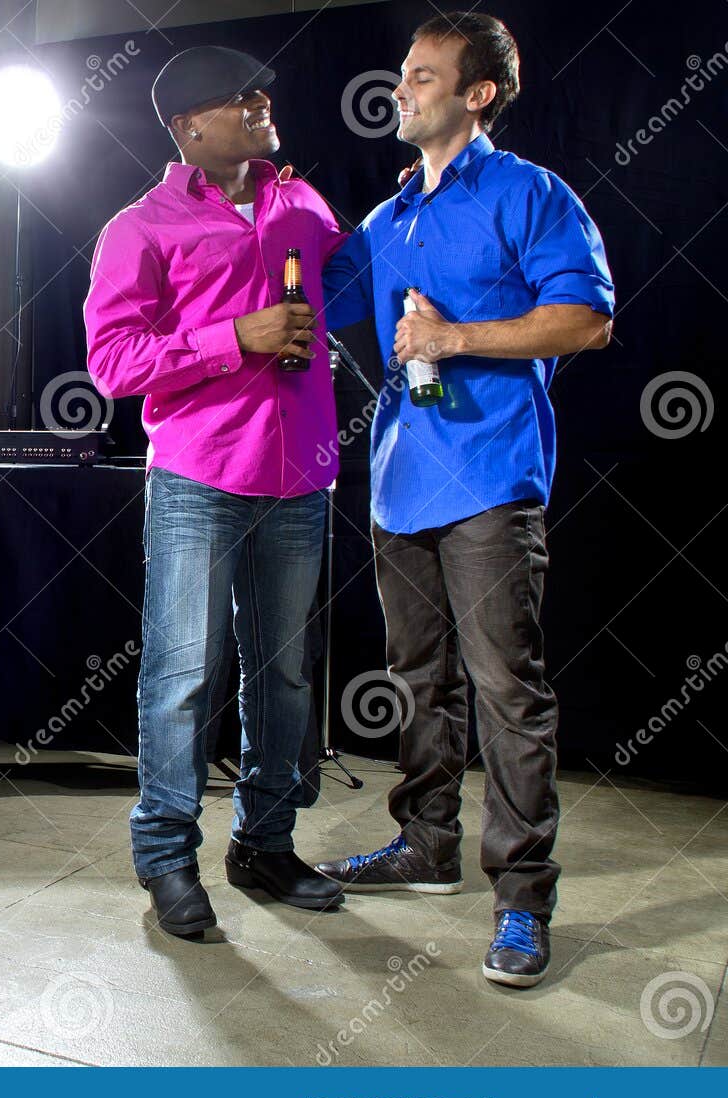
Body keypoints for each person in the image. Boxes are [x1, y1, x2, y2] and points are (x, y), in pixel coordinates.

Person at [319, 11, 614, 988]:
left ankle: (522, 900)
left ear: (475, 93)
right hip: (400, 485)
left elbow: (583, 320)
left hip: (491, 480)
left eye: (420, 74)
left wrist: (456, 340)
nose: (399, 88)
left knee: (506, 692)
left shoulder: (530, 194)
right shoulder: (388, 217)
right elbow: (316, 300)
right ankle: (424, 843)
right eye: (401, 74)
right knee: (419, 679)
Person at [83, 45, 346, 937]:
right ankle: (165, 856)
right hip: (198, 474)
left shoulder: (303, 203)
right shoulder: (140, 228)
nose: (261, 103)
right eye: (240, 98)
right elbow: (114, 366)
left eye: (263, 92)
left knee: (284, 674)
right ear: (189, 126)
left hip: (301, 474)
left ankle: (265, 845)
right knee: (182, 676)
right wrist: (239, 335)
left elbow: (352, 295)